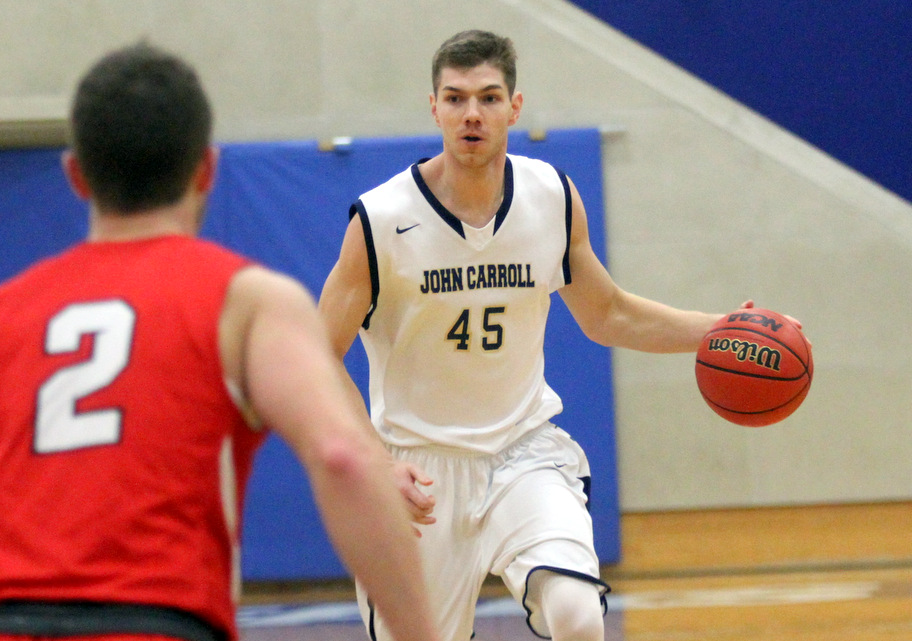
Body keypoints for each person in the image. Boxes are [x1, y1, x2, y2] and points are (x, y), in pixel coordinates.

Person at [0, 43, 441, 641]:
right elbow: (341, 457)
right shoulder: (247, 302)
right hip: (157, 620)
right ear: (206, 170)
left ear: (76, 176)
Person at [319, 30, 801, 641]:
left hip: (522, 454)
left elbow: (609, 313)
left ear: (515, 108)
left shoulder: (550, 196)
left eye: (490, 97)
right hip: (418, 471)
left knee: (577, 616)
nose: (473, 114)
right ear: (434, 106)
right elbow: (318, 356)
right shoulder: (382, 220)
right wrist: (373, 463)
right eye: (457, 97)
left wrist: (723, 331)